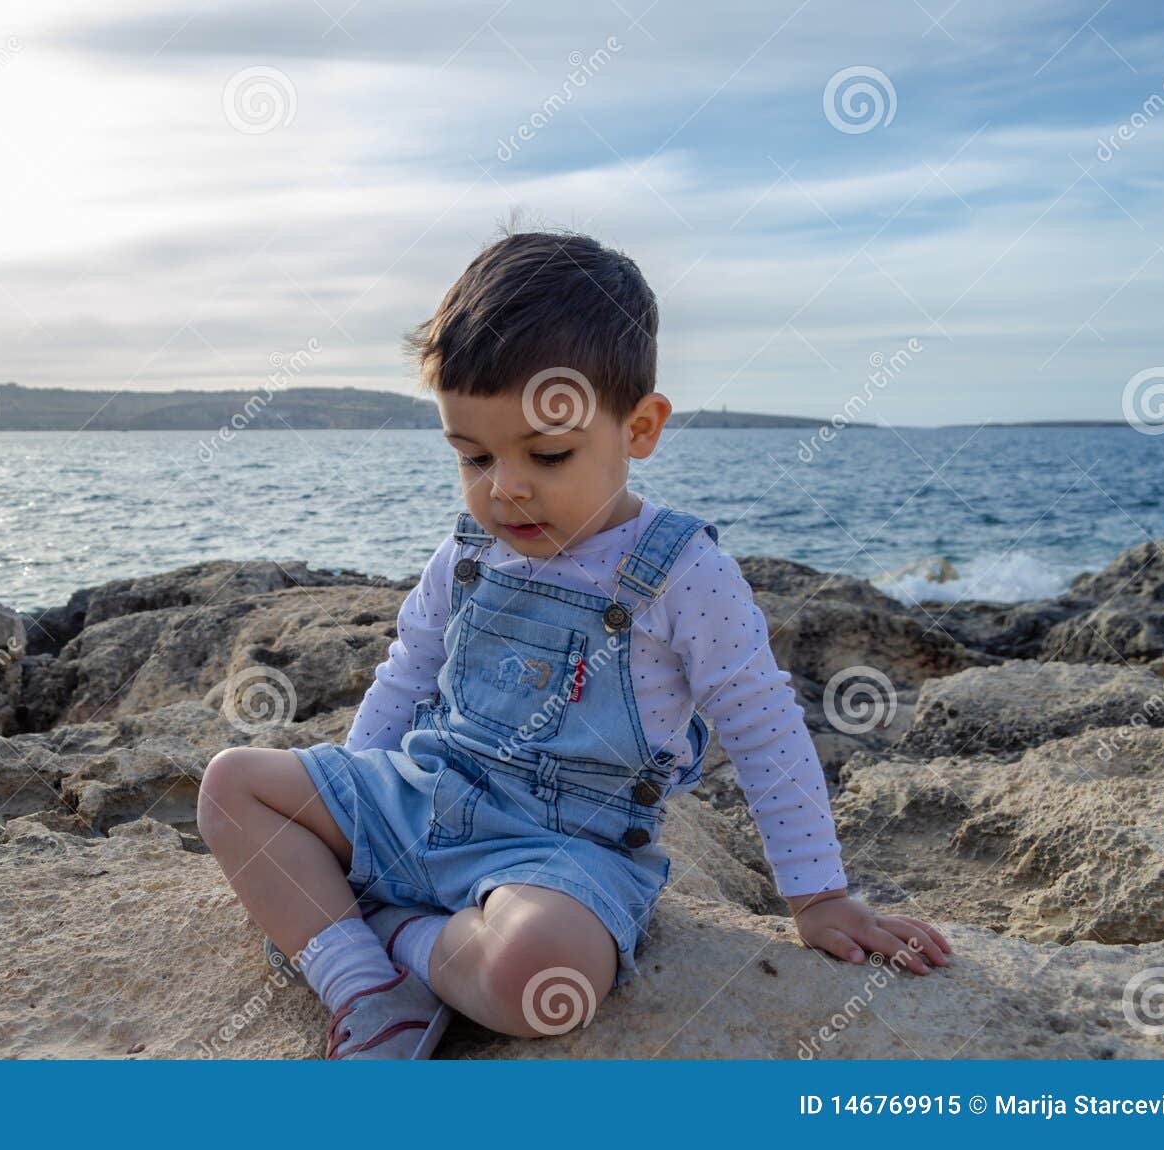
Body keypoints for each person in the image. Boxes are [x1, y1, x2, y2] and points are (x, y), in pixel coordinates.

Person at [198, 227, 952, 1060]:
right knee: (234, 784)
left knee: (545, 981)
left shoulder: (681, 574)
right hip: (423, 796)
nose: (505, 487)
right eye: (473, 456)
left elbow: (764, 727)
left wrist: (819, 897)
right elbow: (407, 671)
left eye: (548, 454)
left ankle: (394, 939)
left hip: (559, 856)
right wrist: (355, 817)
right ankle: (364, 989)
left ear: (640, 428)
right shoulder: (470, 552)